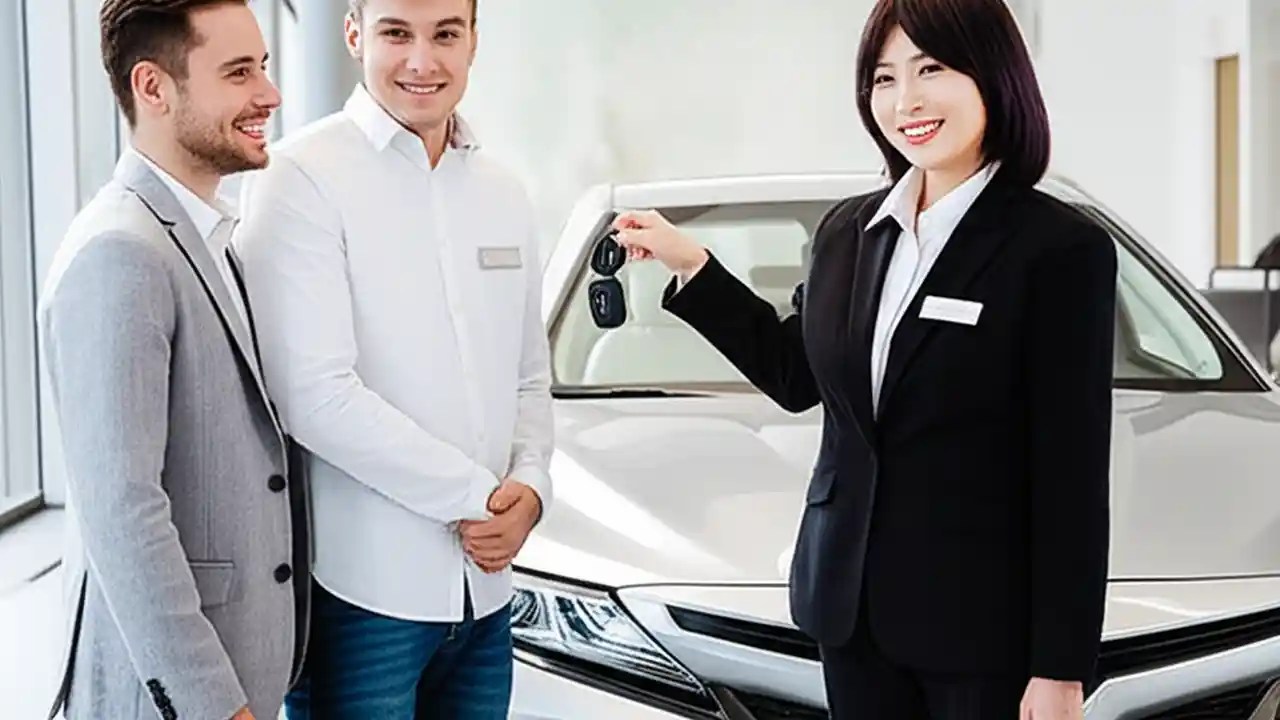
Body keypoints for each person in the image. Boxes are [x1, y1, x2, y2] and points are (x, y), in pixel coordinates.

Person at [611, 0, 1116, 717]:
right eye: (883, 79)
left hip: (982, 630)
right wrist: (693, 264)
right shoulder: (849, 231)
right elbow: (797, 376)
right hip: (851, 616)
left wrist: (1061, 668)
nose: (905, 100)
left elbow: (1071, 474)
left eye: (930, 69)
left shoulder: (1060, 250)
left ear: (994, 75)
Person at [233, 0, 553, 717]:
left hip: (487, 595)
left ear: (474, 40)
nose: (422, 60)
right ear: (354, 35)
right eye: (395, 33)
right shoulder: (301, 177)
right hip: (362, 598)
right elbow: (310, 393)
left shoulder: (505, 192)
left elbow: (529, 375)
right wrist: (480, 497)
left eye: (446, 34)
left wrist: (530, 490)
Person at [38, 2, 309, 720]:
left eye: (265, 67)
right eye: (238, 72)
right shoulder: (120, 253)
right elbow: (123, 513)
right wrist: (212, 705)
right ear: (154, 88)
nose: (270, 95)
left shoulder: (205, 232)